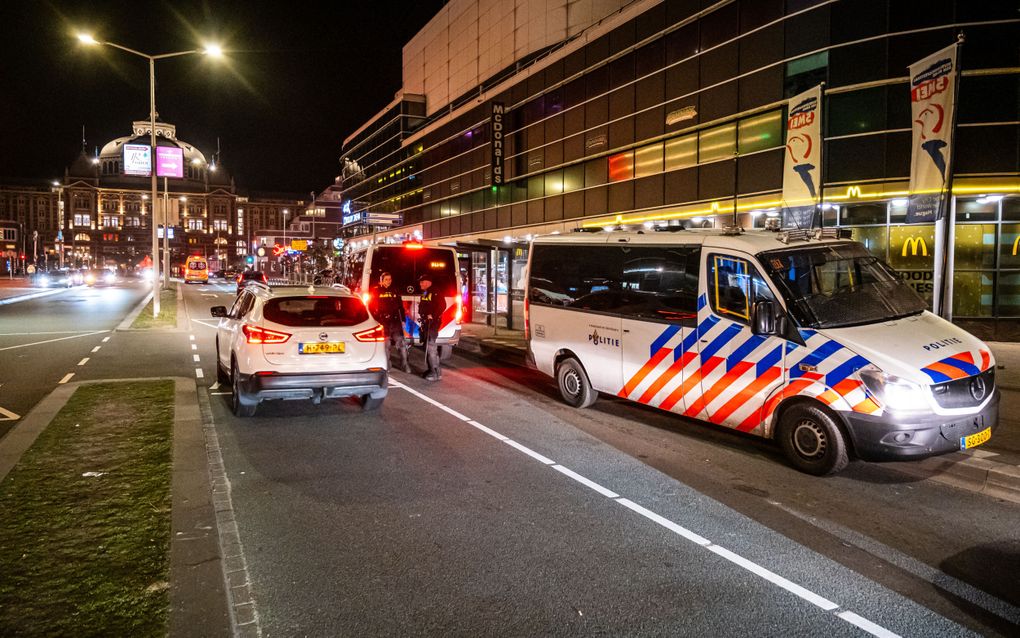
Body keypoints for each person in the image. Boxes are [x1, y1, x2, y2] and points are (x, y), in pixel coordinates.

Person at [369, 272, 411, 373]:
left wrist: (403, 321)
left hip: (395, 321)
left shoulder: (395, 291)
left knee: (401, 343)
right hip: (383, 322)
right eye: (386, 279)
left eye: (390, 279)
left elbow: (400, 307)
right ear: (381, 281)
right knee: (386, 345)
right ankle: (387, 365)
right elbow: (371, 308)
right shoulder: (376, 291)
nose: (389, 281)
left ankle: (405, 365)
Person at [417, 273, 447, 381]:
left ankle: (435, 372)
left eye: (422, 282)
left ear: (428, 282)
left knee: (431, 347)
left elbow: (442, 305)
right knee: (428, 346)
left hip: (432, 324)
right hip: (426, 323)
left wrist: (432, 315)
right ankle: (432, 370)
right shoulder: (426, 293)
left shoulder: (435, 292)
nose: (420, 284)